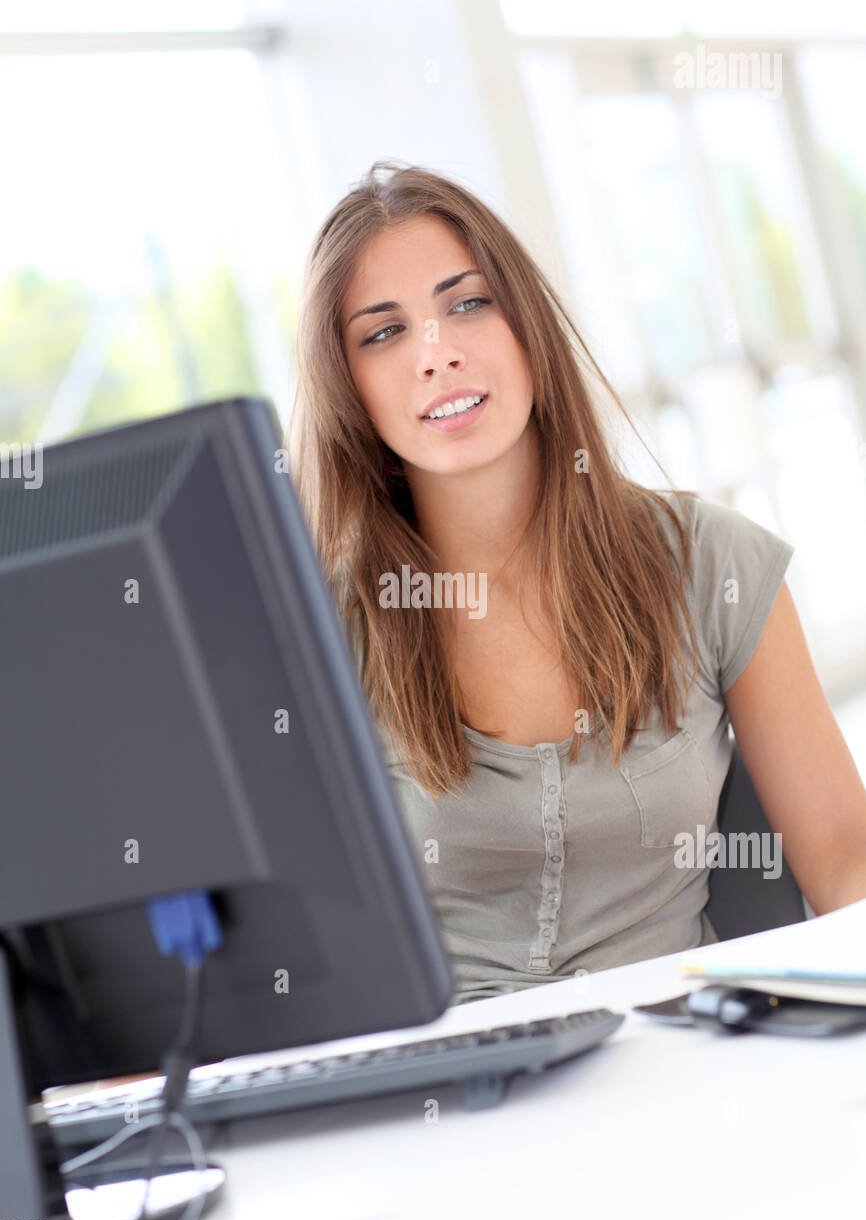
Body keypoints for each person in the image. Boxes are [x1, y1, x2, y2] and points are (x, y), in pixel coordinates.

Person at [287, 159, 866, 1005]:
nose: (436, 353)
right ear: (349, 390)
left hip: (681, 1064)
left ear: (526, 325)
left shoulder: (714, 566)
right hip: (454, 1093)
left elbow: (846, 862)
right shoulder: (323, 623)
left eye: (467, 303)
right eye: (383, 332)